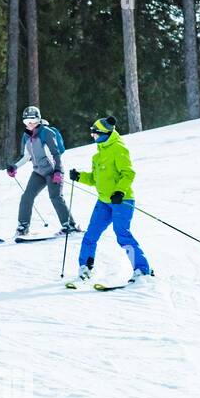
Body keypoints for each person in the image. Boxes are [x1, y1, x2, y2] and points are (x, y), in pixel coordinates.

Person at [66, 116, 152, 285]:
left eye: (95, 134)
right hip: (104, 202)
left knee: (122, 235)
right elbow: (94, 179)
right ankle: (85, 268)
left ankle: (141, 269)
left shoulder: (119, 149)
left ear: (104, 134)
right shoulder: (97, 156)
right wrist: (79, 176)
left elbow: (128, 173)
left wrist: (119, 191)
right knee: (91, 235)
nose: (93, 137)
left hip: (122, 201)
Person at [5, 105, 77, 237]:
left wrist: (57, 172)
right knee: (27, 197)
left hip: (53, 171)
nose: (30, 124)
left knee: (55, 196)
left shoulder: (47, 133)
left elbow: (56, 155)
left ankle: (70, 225)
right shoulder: (27, 137)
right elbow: (26, 156)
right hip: (38, 172)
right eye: (26, 122)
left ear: (38, 120)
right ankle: (23, 226)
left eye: (32, 121)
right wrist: (14, 166)